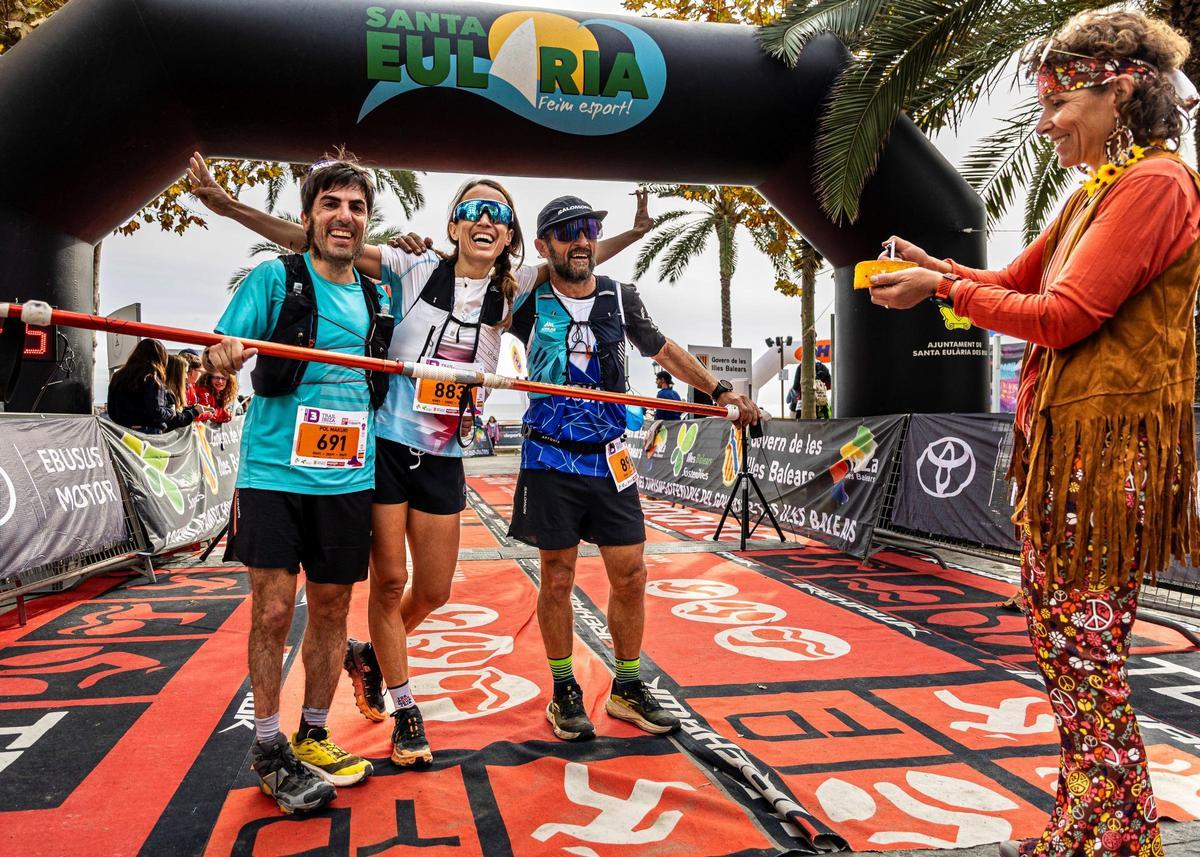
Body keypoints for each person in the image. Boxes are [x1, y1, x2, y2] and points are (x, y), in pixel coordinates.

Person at [187, 153, 652, 769]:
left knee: (432, 589)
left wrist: (635, 233)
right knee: (388, 583)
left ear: (511, 236)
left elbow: (578, 255)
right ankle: (406, 710)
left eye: (498, 213)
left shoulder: (515, 290)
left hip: (444, 454)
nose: (485, 219)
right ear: (454, 224)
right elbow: (322, 242)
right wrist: (228, 207)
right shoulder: (412, 265)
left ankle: (372, 656)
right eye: (472, 210)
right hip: (382, 445)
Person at [865, 12, 1200, 856]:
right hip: (1070, 458)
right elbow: (1011, 278)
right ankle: (1086, 826)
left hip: (1102, 461)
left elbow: (1060, 316)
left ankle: (1117, 839)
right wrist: (937, 273)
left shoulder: (1156, 184)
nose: (1045, 122)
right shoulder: (1096, 190)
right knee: (1066, 656)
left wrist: (940, 289)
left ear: (1118, 88)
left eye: (1058, 100)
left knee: (1084, 662)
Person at [507, 196, 761, 742]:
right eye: (567, 231)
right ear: (543, 245)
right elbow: (469, 302)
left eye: (589, 230)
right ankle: (563, 689)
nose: (581, 240)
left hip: (609, 457)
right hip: (550, 456)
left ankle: (625, 686)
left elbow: (663, 349)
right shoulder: (526, 296)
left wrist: (720, 390)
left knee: (631, 573)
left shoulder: (620, 298)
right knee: (557, 576)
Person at [201, 155, 389, 814]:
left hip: (348, 476)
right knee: (275, 610)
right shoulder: (274, 278)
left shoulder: (376, 293)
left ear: (368, 222)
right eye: (331, 204)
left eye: (357, 207)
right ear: (308, 217)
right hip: (275, 473)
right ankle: (266, 743)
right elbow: (219, 349)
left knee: (334, 610)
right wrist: (221, 354)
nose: (344, 217)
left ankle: (313, 731)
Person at [107, 339, 200, 433]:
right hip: (148, 432)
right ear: (161, 358)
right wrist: (171, 412)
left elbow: (112, 410)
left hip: (121, 433)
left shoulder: (118, 376)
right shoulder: (153, 378)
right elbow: (157, 411)